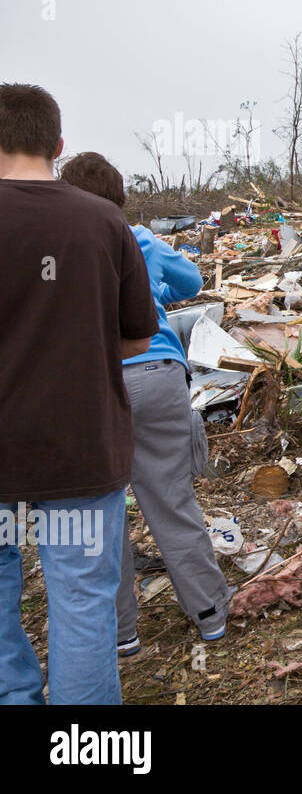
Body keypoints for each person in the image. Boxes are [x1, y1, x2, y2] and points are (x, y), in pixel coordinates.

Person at [0, 84, 157, 704]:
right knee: (83, 602)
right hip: (80, 444)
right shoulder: (103, 220)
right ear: (58, 146)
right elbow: (138, 340)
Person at [59, 152, 231, 655]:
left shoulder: (59, 244)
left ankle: (120, 634)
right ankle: (211, 615)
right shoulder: (140, 239)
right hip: (156, 373)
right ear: (121, 197)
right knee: (171, 500)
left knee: (102, 510)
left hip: (93, 381)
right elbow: (194, 285)